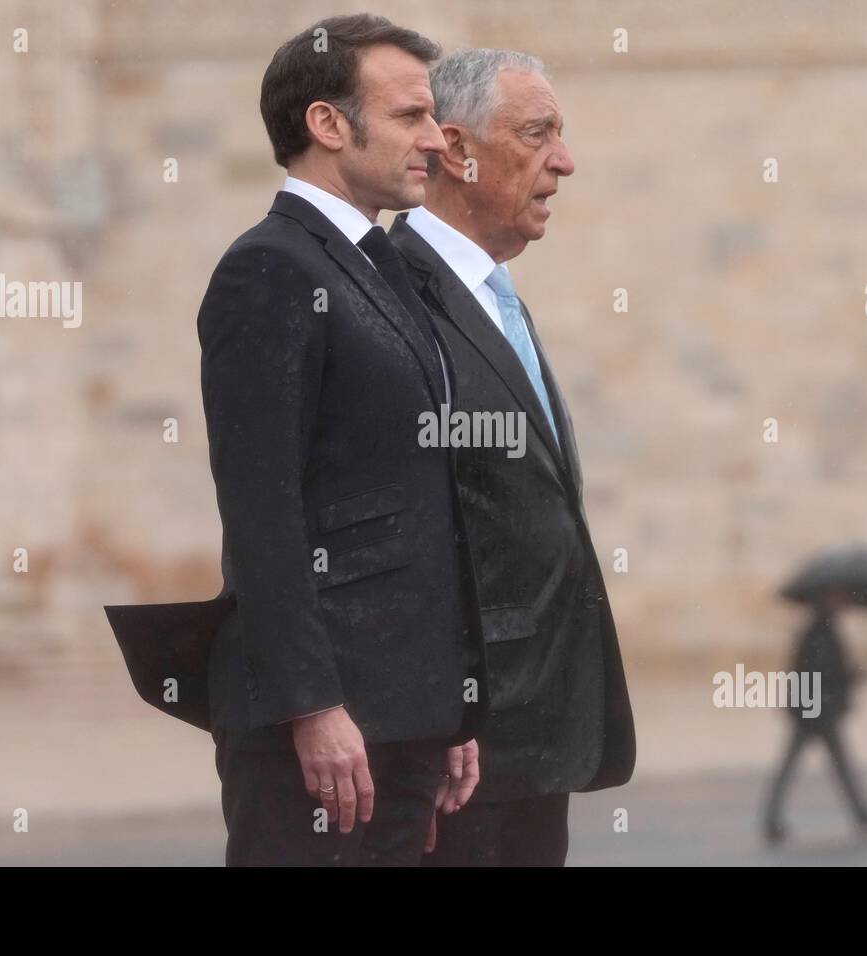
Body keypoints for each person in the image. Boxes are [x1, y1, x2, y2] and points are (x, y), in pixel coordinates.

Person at [200, 14, 486, 866]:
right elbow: (262, 507)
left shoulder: (380, 266)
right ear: (327, 125)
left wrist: (451, 703)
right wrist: (312, 706)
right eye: (410, 117)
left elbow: (424, 497)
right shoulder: (270, 268)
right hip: (325, 734)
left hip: (405, 716)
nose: (436, 140)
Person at [389, 49, 636, 867]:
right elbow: (394, 527)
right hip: (458, 752)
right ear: (456, 151)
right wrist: (427, 724)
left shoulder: (493, 295)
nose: (564, 161)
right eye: (538, 135)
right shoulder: (391, 300)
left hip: (532, 739)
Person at [762, 588, 867, 844]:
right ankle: (860, 813)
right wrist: (852, 676)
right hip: (817, 711)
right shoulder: (820, 635)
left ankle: (860, 812)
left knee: (811, 765)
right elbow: (824, 672)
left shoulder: (819, 633)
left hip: (813, 709)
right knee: (828, 765)